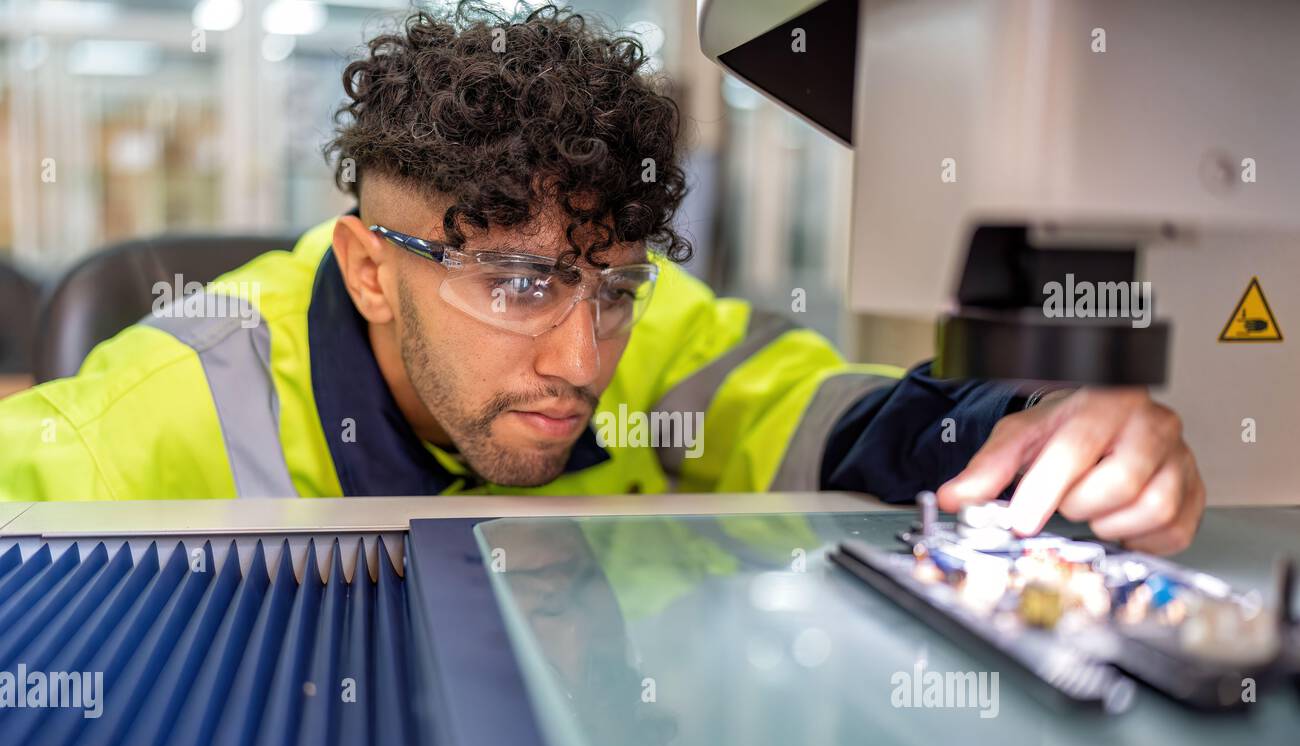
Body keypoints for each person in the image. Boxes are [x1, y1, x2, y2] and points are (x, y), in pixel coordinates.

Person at [0, 2, 1203, 553]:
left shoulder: (654, 330)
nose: (584, 359)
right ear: (370, 269)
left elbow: (835, 418)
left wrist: (1042, 428)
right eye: (517, 284)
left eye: (611, 287)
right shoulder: (150, 416)